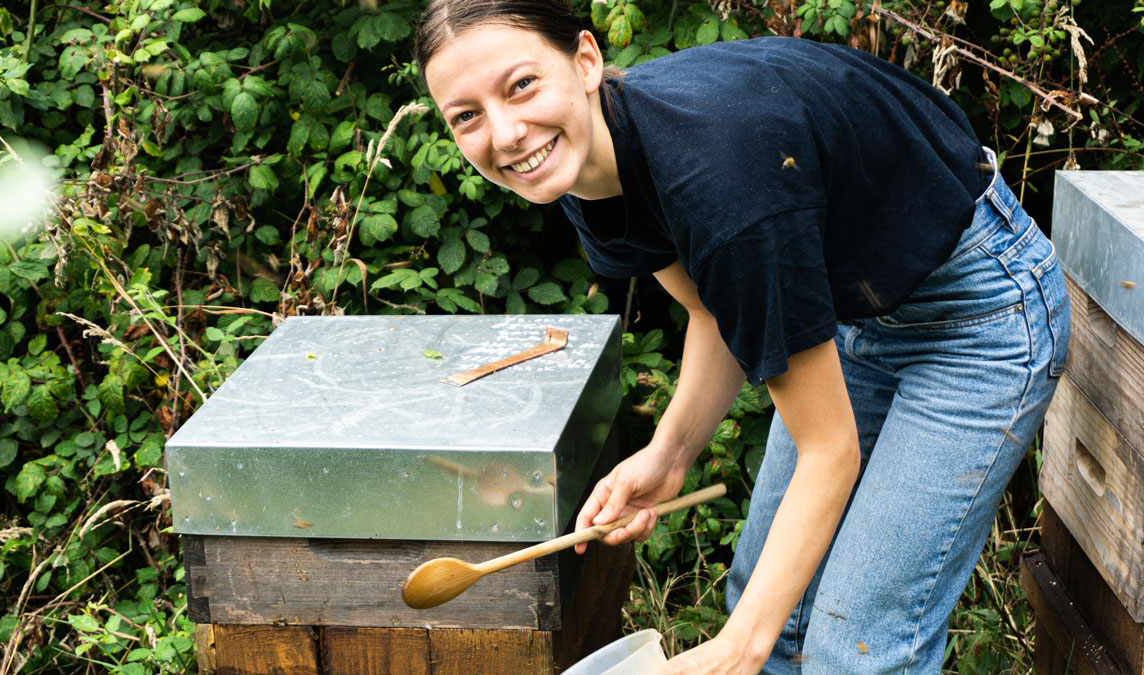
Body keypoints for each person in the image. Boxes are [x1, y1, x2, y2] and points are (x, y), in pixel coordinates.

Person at [414, 1, 1069, 672]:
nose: (506, 133)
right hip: (858, 312)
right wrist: (669, 456)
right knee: (773, 616)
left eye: (520, 85)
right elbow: (710, 313)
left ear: (586, 60)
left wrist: (741, 645)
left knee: (855, 648)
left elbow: (828, 450)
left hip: (976, 317)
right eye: (466, 115)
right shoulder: (582, 168)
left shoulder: (719, 177)